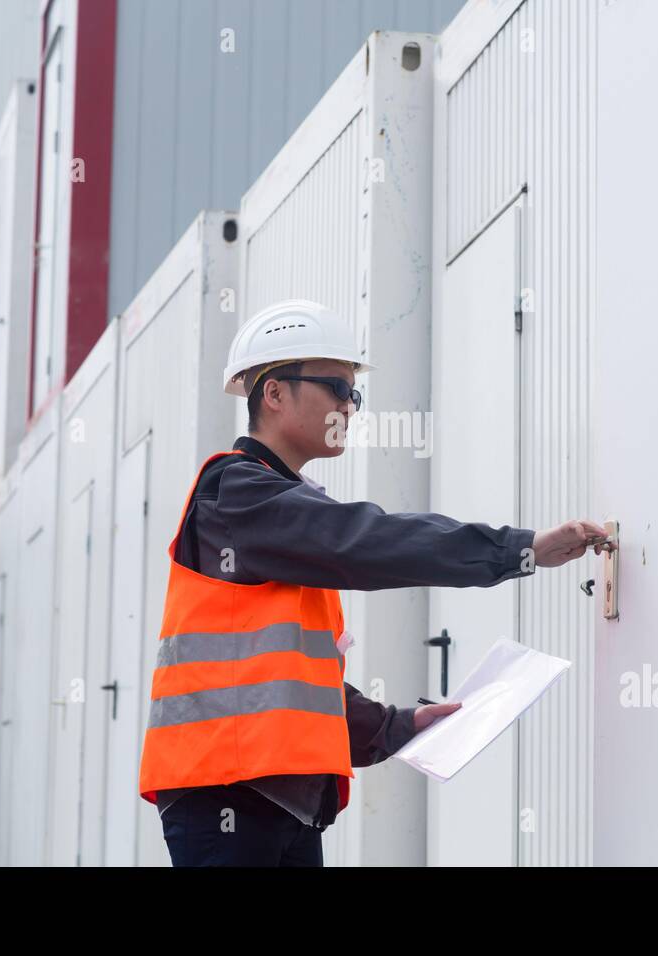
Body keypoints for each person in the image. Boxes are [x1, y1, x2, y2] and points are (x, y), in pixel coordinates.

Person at [138, 299, 613, 866]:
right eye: (336, 388)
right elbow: (365, 541)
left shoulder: (279, 512)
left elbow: (297, 686)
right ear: (274, 393)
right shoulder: (235, 493)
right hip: (229, 795)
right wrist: (517, 550)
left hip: (279, 799)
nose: (350, 406)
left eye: (354, 394)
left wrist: (395, 725)